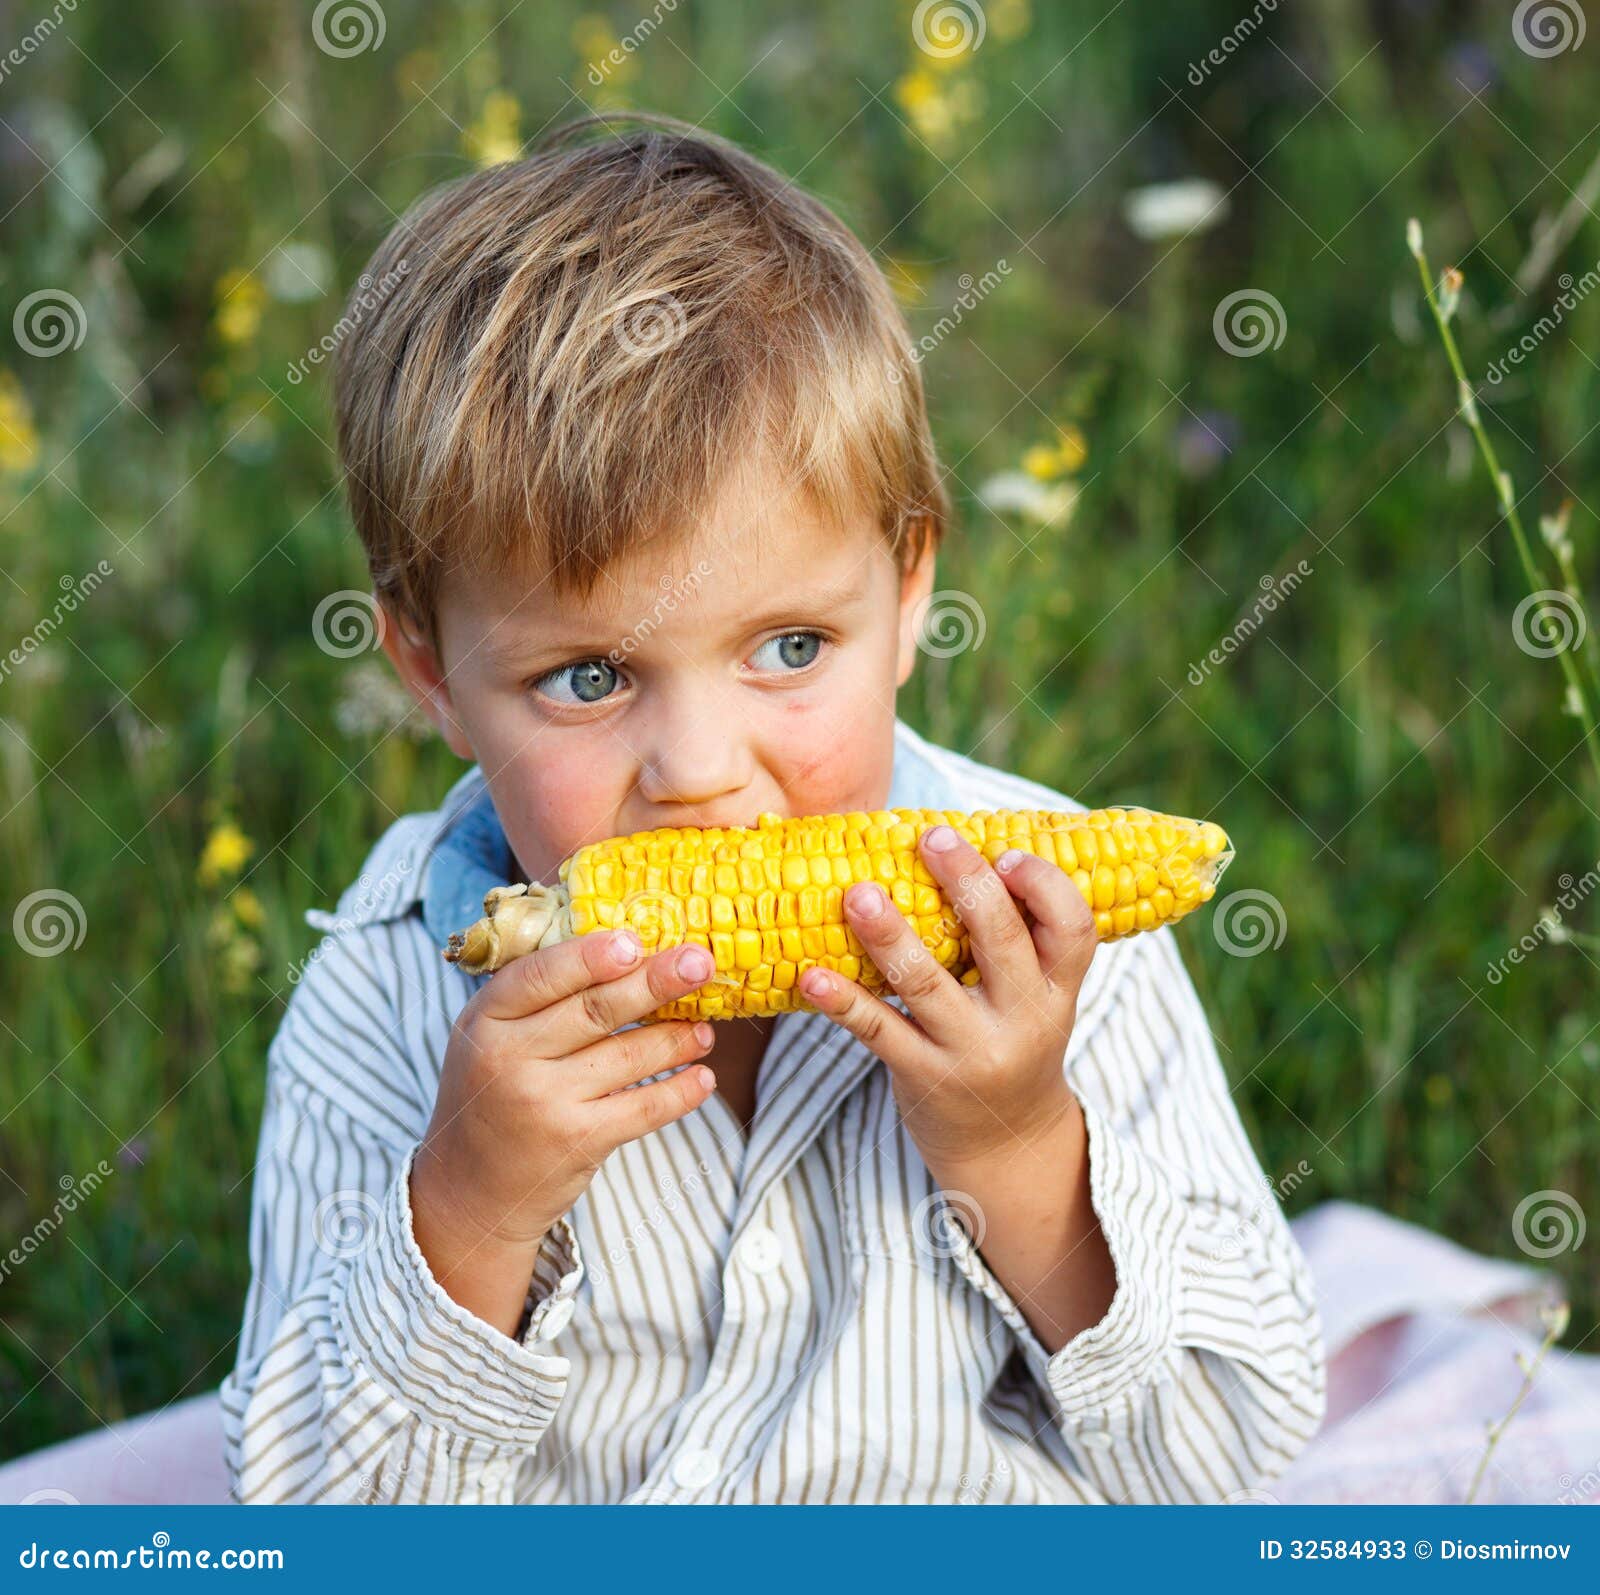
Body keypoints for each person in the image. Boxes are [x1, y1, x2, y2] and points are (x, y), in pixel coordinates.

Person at [218, 111, 1324, 1504]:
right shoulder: (382, 989)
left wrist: (1021, 1151)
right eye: (589, 675)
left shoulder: (1060, 948)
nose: (700, 769)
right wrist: (471, 1212)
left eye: (790, 649)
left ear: (911, 587)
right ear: (432, 670)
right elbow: (318, 1529)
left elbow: (1232, 1458)